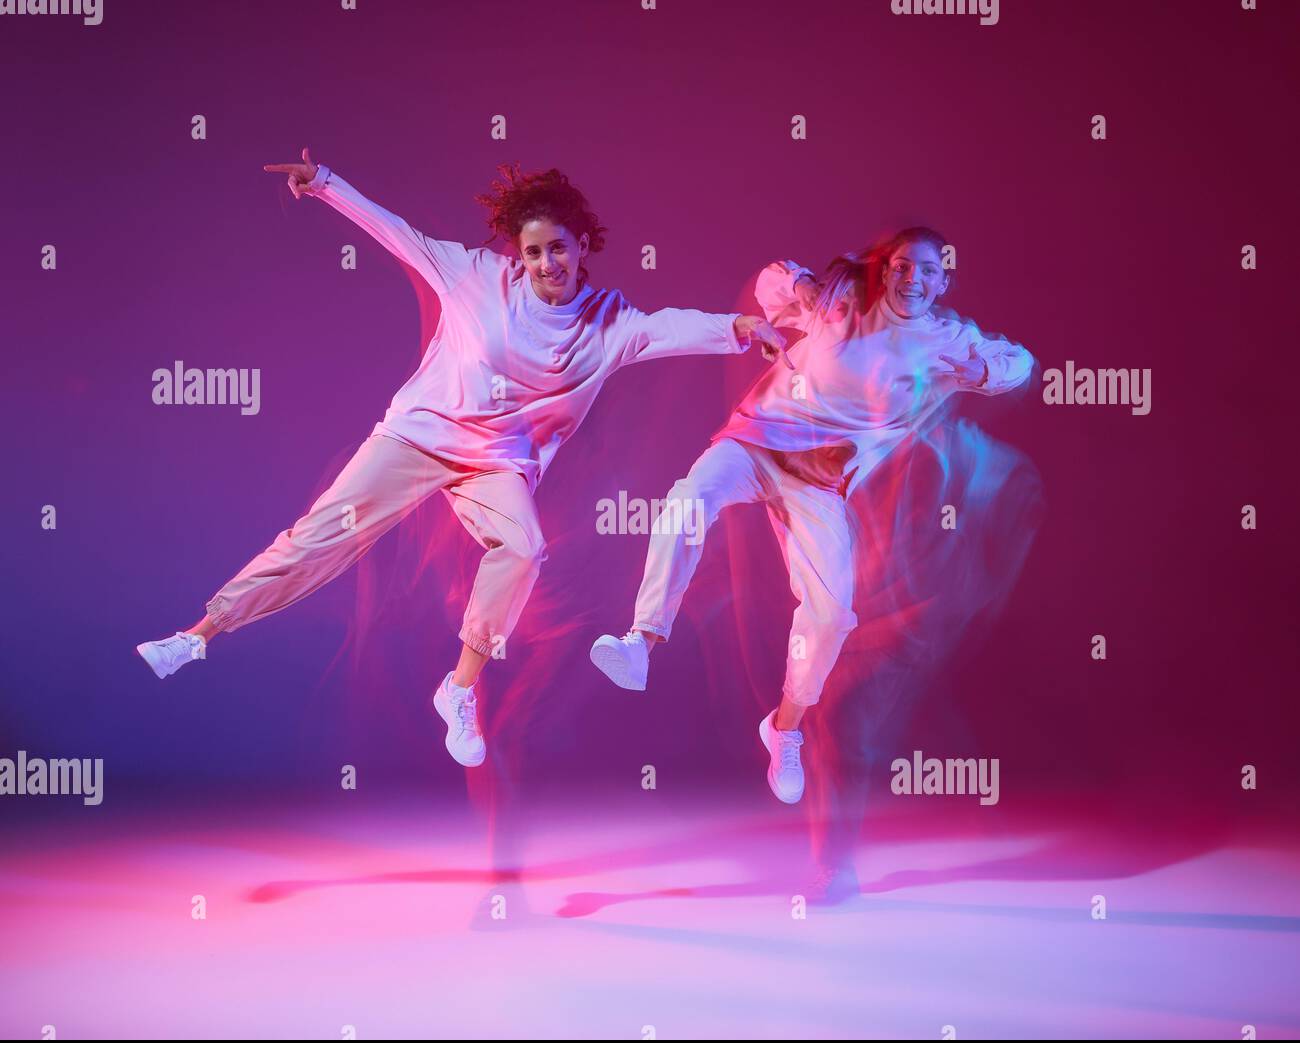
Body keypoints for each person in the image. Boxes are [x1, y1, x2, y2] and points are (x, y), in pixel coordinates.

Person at [136, 149, 786, 770]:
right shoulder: (475, 275)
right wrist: (325, 182)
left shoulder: (610, 325)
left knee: (524, 547)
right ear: (518, 254)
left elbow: (673, 326)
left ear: (582, 245)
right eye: (533, 252)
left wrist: (742, 330)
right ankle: (197, 634)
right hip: (415, 439)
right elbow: (400, 235)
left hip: (493, 465)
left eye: (557, 247)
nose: (545, 263)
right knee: (317, 536)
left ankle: (460, 689)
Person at [590, 229, 1034, 803]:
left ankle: (784, 730)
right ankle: (639, 643)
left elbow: (1017, 361)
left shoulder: (946, 340)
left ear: (943, 281)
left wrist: (983, 372)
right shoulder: (839, 304)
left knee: (830, 614)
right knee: (684, 503)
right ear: (885, 270)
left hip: (819, 484)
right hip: (754, 445)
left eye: (927, 271)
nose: (912, 280)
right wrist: (799, 283)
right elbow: (771, 279)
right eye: (901, 267)